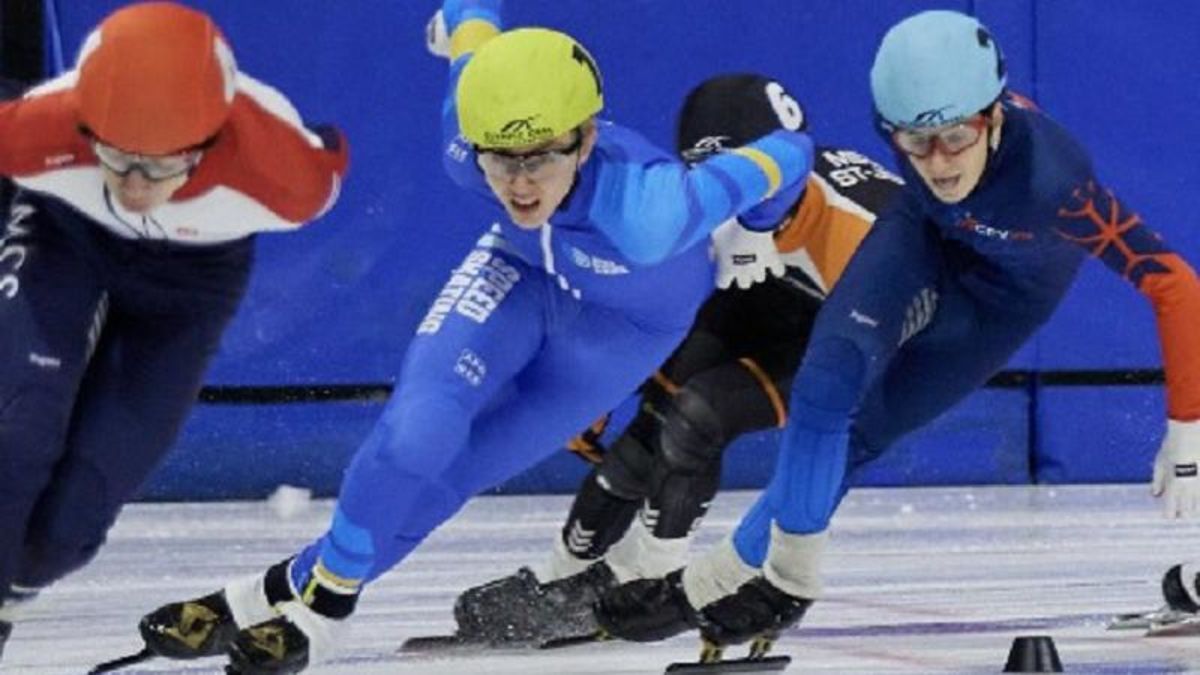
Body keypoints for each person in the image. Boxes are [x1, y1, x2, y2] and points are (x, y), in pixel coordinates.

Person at [136, 1, 814, 672]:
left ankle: (267, 594)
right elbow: (475, 32)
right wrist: (461, 17)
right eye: (502, 159)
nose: (518, 183)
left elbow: (791, 150)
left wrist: (760, 226)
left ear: (585, 138)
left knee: (454, 473)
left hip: (621, 333)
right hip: (519, 272)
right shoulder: (465, 139)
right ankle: (324, 608)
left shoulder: (652, 212)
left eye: (540, 158)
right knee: (416, 436)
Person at [596, 9, 1200, 650]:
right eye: (913, 141)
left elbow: (1174, 285)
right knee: (825, 381)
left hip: (1001, 302)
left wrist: (1187, 428)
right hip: (924, 236)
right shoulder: (927, 147)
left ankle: (711, 581)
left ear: (993, 115)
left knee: (865, 431)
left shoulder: (1052, 182)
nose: (937, 163)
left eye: (955, 138)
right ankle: (785, 581)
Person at [451, 72, 903, 646]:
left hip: (852, 329)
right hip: (768, 301)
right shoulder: (700, 205)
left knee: (699, 414)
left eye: (743, 183)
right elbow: (639, 307)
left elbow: (885, 366)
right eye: (716, 182)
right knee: (652, 419)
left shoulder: (858, 233)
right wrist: (593, 390)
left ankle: (653, 574)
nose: (728, 199)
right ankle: (563, 577)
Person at [0, 1, 348, 660]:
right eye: (114, 156)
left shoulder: (286, 175)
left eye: (161, 166)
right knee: (16, 429)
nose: (135, 187)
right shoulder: (37, 130)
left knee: (70, 524)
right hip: (65, 237)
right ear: (84, 126)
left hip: (190, 278)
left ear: (212, 142)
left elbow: (338, 147)